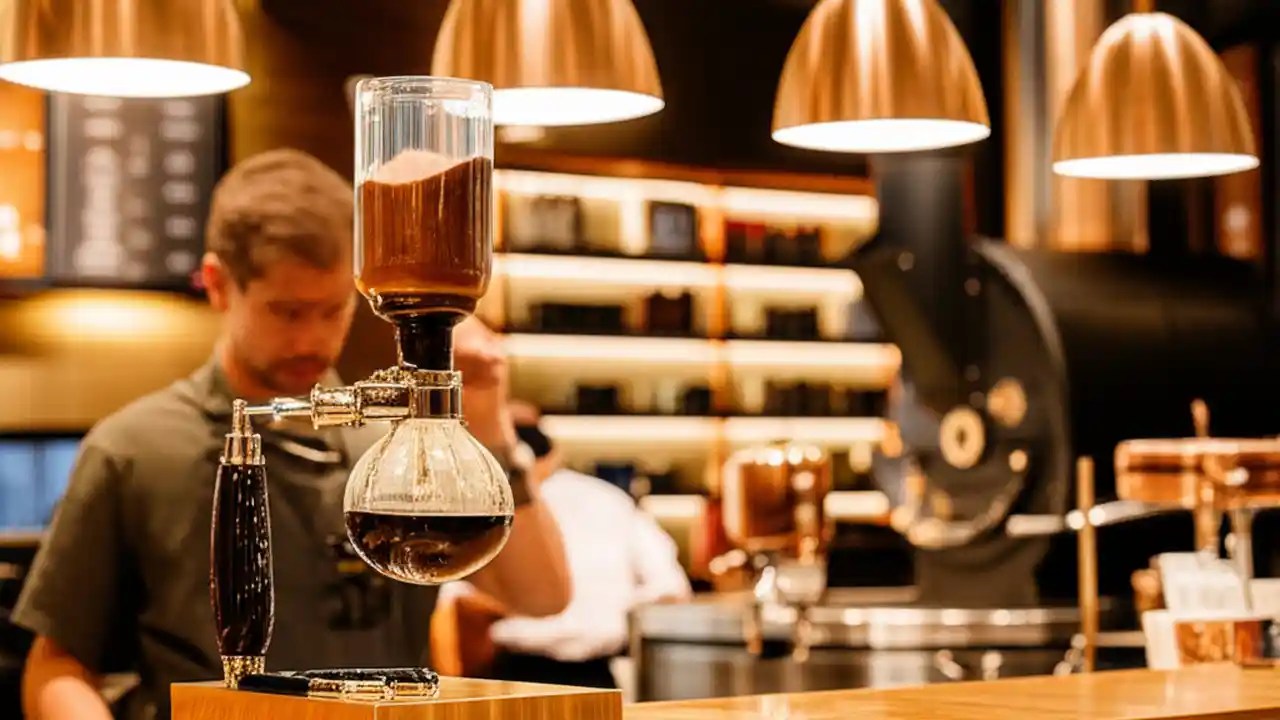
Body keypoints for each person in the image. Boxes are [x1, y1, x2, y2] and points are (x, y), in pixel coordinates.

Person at [14, 149, 570, 720]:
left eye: (333, 311)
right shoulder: (134, 449)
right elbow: (57, 667)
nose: (313, 339)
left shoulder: (394, 450)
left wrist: (485, 417)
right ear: (217, 285)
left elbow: (542, 597)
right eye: (287, 312)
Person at [438, 401, 690, 690]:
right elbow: (671, 587)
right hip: (581, 672)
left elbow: (455, 595)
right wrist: (607, 607)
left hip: (517, 673)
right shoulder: (609, 498)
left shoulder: (485, 503)